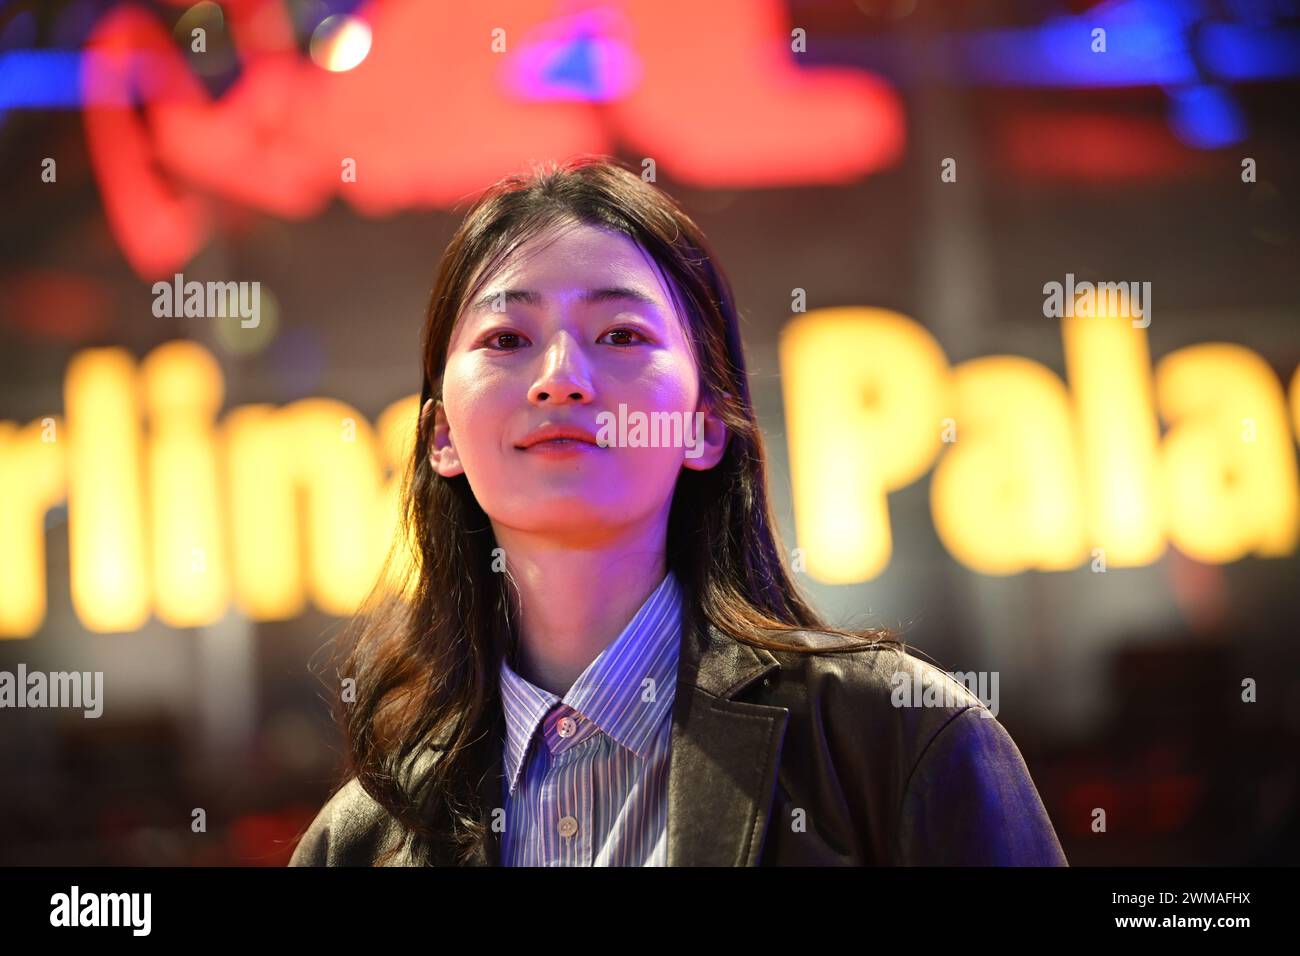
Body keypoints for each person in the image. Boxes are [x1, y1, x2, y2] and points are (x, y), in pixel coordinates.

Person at [288, 156, 1068, 867]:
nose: (560, 379)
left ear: (702, 425)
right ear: (440, 435)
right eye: (506, 337)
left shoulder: (894, 740)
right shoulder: (356, 843)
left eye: (621, 334)